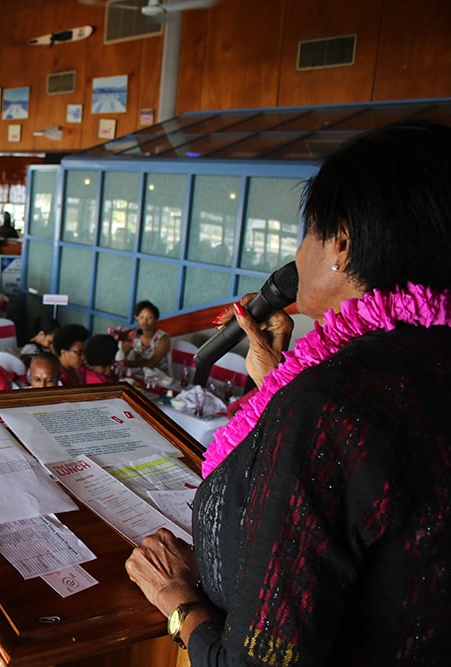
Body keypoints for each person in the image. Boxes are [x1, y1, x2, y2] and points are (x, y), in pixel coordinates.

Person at [125, 121, 451, 665]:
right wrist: (277, 381)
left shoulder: (330, 404)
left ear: (341, 243)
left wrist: (177, 600)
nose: (296, 256)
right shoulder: (411, 365)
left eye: (307, 234)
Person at [120, 300, 170, 374]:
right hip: (138, 374)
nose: (145, 321)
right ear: (137, 318)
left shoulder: (163, 338)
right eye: (142, 317)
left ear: (156, 319)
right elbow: (122, 352)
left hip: (158, 376)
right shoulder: (134, 334)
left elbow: (151, 363)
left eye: (150, 317)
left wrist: (127, 363)